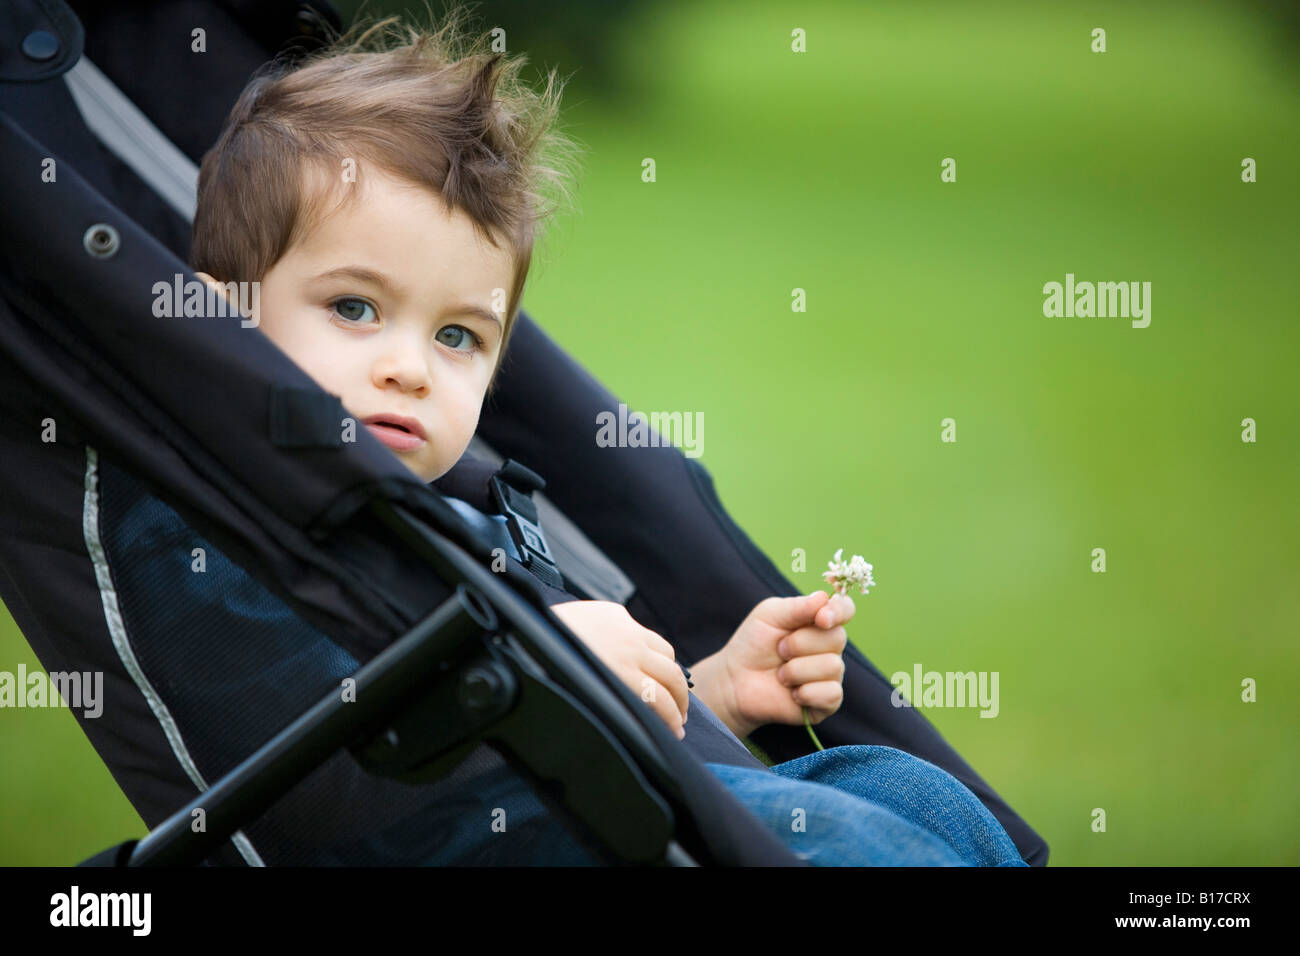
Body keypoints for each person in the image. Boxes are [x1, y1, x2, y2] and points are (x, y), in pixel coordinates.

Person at [187, 9, 1028, 866]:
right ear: (223, 316)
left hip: (591, 806)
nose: (411, 368)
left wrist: (706, 700)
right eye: (355, 309)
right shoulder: (211, 527)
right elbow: (315, 773)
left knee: (906, 789)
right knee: (854, 845)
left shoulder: (435, 511)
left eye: (458, 337)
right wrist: (540, 664)